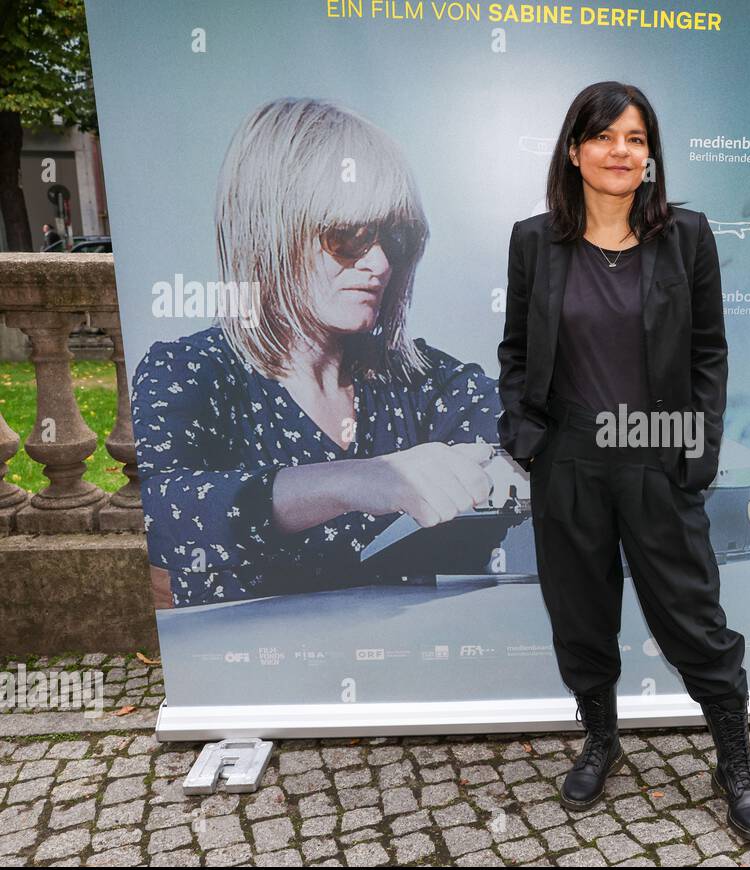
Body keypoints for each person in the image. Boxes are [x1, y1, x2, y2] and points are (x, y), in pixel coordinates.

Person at [496, 81, 750, 841]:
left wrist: (698, 449)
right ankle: (602, 739)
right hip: (570, 463)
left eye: (636, 138)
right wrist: (527, 437)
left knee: (693, 618)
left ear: (650, 155)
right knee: (581, 614)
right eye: (605, 136)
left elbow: (709, 351)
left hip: (658, 457)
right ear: (575, 150)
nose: (621, 151)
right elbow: (517, 352)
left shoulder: (686, 236)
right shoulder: (533, 241)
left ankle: (734, 761)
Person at [133, 97, 500, 607]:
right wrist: (354, 481)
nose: (380, 263)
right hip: (253, 679)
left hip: (411, 671)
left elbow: (540, 427)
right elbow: (162, 513)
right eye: (348, 235)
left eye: (394, 237)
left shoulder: (421, 379)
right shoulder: (193, 371)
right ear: (272, 230)